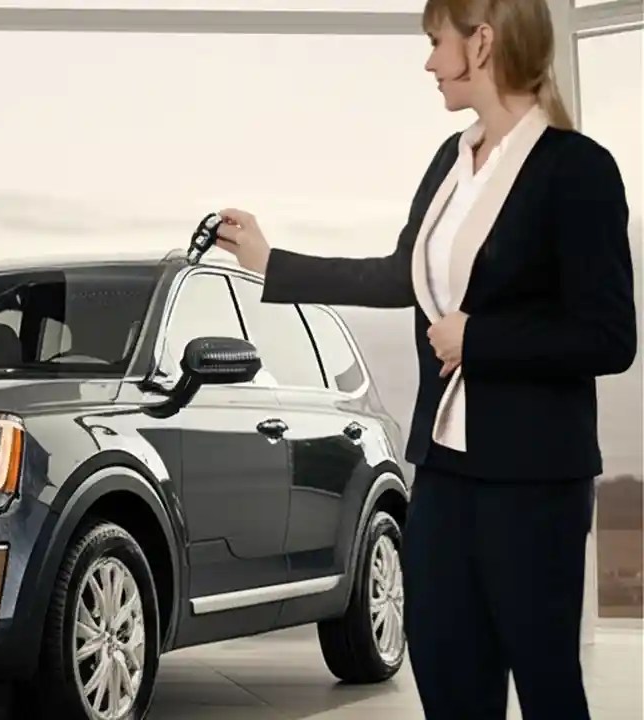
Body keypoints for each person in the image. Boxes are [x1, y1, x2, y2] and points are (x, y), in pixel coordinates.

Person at [211, 1, 636, 719]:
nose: (430, 62)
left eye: (438, 43)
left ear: (483, 44)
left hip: (534, 479)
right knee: (443, 665)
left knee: (545, 681)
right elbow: (397, 275)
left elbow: (610, 337)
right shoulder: (450, 160)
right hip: (444, 468)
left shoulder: (579, 169)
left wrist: (480, 340)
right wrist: (269, 261)